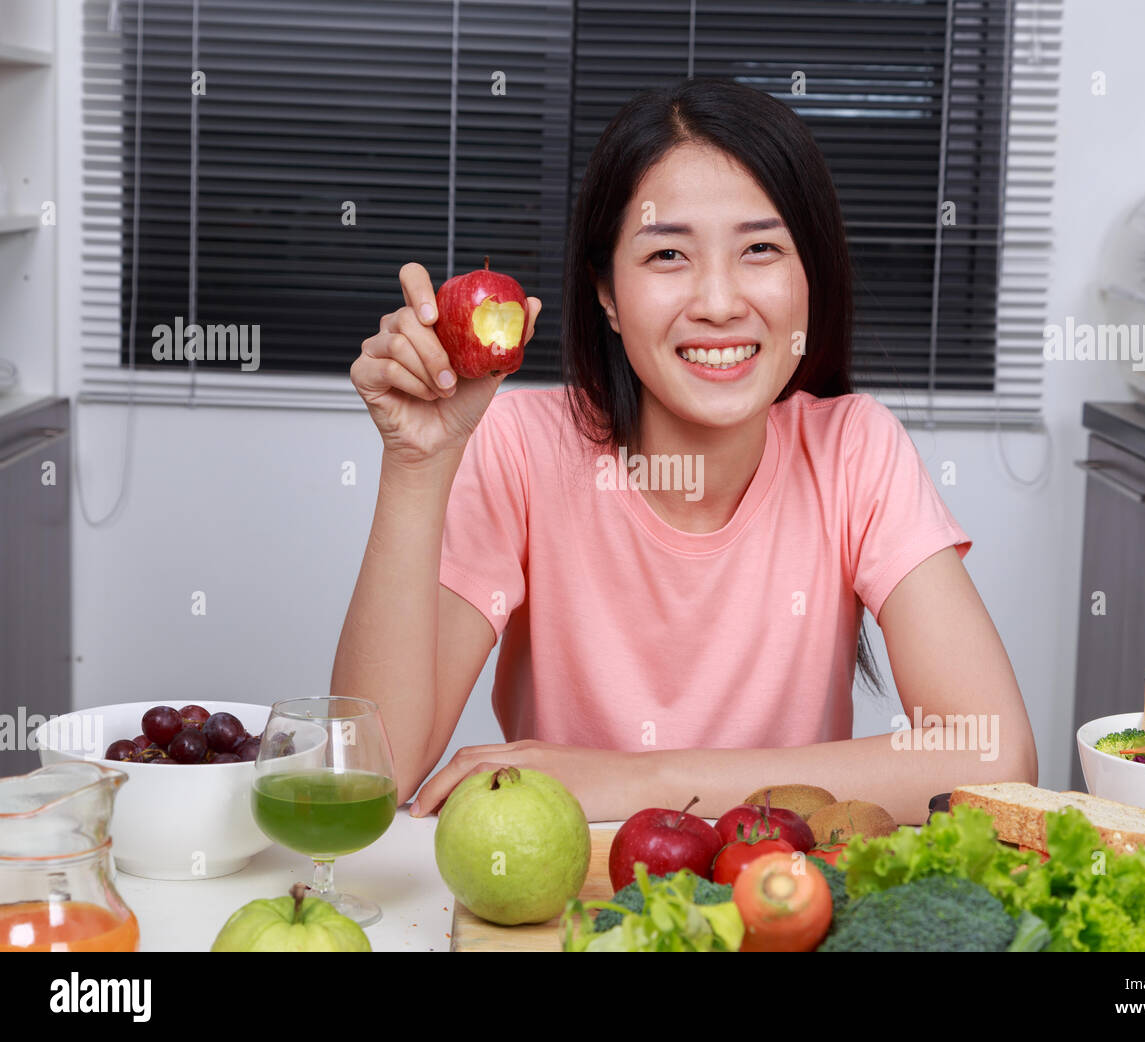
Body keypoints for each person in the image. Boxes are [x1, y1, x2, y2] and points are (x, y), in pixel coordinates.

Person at [334, 78, 1037, 827]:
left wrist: (638, 781)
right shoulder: (520, 447)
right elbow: (369, 773)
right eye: (668, 254)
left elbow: (996, 759)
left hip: (777, 908)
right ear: (605, 291)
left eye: (760, 249)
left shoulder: (853, 449)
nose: (719, 301)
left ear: (811, 276)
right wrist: (415, 466)